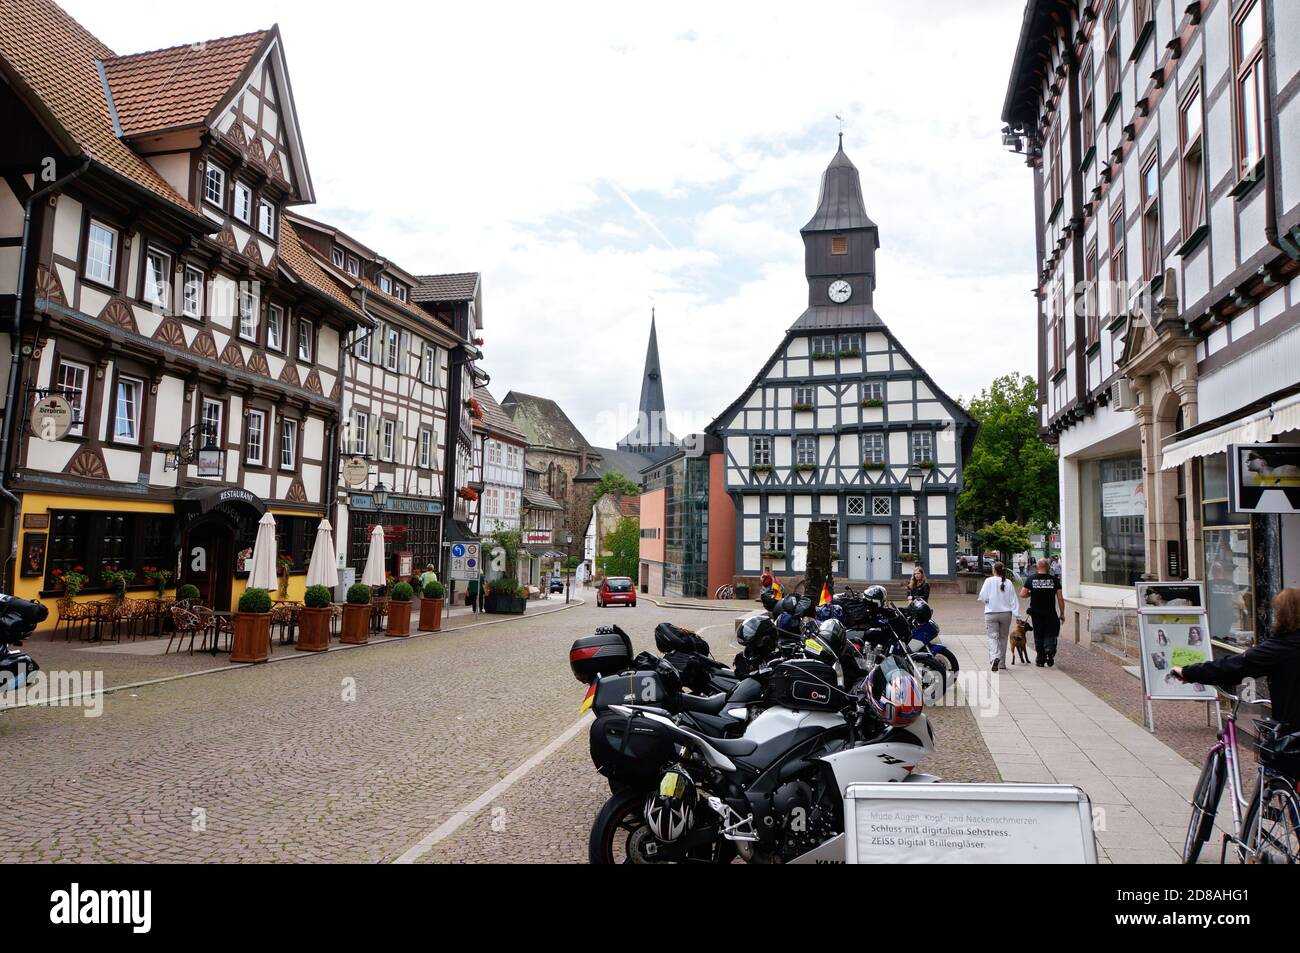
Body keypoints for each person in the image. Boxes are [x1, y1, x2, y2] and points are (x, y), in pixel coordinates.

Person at [1174, 588, 1300, 729]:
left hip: (1293, 734)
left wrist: (1188, 672)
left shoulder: (1281, 647)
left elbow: (1233, 667)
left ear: (1283, 616)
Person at [1020, 557, 1065, 667]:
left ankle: (1040, 658)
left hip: (1036, 613)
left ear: (1037, 567)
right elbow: (1060, 598)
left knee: (1038, 635)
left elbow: (1022, 594)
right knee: (1050, 633)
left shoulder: (1031, 579)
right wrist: (1062, 613)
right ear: (1048, 567)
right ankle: (1050, 649)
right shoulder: (1054, 580)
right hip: (1050, 613)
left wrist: (1032, 592)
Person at [978, 561, 1020, 672]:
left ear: (994, 570)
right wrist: (1017, 615)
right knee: (1003, 638)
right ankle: (1001, 663)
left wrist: (988, 601)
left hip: (991, 613)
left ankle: (994, 657)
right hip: (1006, 614)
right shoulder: (1009, 583)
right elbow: (1013, 600)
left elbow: (982, 597)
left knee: (992, 637)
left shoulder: (988, 581)